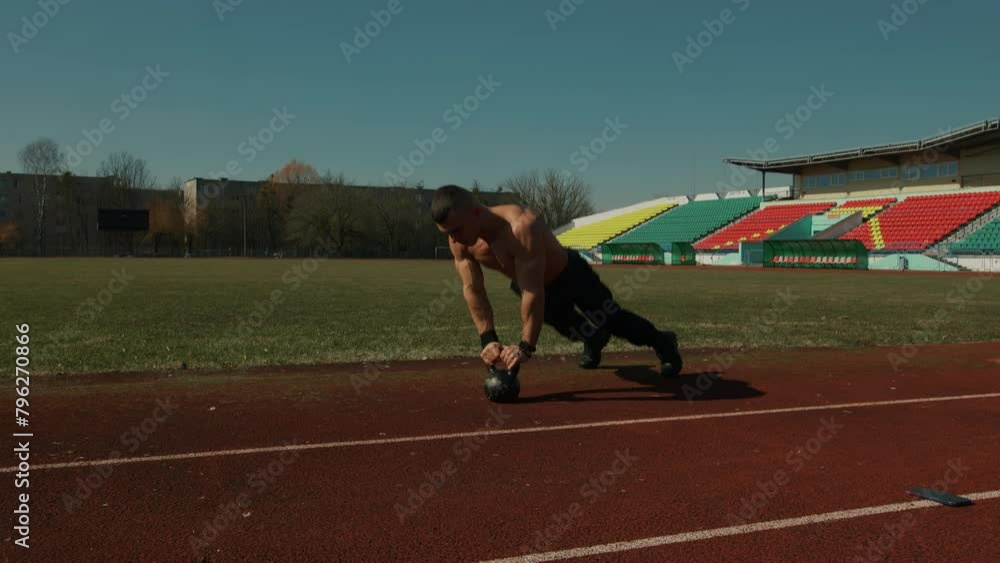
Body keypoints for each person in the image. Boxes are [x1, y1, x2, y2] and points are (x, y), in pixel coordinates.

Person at [430, 184, 682, 376]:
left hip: (570, 274)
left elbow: (532, 292)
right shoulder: (460, 243)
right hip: (532, 285)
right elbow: (473, 289)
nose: (453, 239)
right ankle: (593, 340)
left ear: (475, 212)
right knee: (569, 327)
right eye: (447, 233)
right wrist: (489, 339)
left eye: (456, 230)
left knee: (611, 319)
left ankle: (664, 342)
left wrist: (525, 348)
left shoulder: (520, 227)